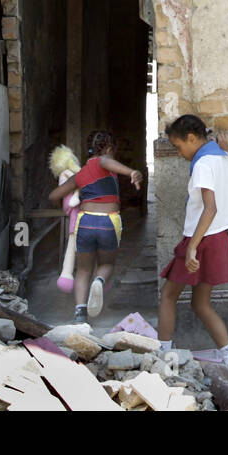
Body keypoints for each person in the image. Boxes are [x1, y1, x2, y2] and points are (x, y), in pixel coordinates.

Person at [158, 114, 228, 366]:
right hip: (219, 238)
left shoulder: (203, 164)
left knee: (168, 295)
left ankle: (162, 354)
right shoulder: (223, 157)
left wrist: (191, 248)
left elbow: (210, 208)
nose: (179, 153)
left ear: (191, 138)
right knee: (200, 303)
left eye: (178, 147)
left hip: (200, 238)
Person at [48, 129, 142, 323]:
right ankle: (99, 281)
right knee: (106, 264)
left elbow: (53, 196)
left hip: (85, 222)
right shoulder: (104, 161)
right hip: (108, 221)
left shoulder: (80, 174)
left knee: (83, 270)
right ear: (109, 149)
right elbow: (104, 161)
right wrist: (131, 172)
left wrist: (71, 199)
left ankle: (80, 314)